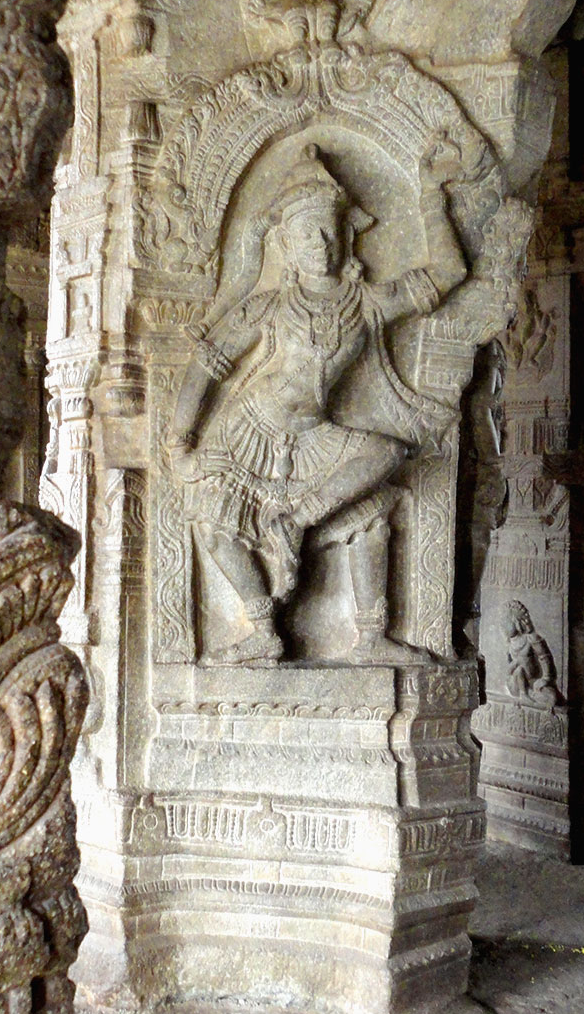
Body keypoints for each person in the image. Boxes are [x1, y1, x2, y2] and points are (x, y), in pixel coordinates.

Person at [165, 141, 466, 665]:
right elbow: (210, 361)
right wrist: (180, 438)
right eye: (307, 232)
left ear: (348, 236)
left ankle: (368, 632)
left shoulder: (367, 303)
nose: (320, 243)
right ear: (286, 240)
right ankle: (263, 630)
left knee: (384, 468)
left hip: (315, 437)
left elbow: (448, 274)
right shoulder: (273, 305)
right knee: (215, 523)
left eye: (330, 230)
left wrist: (432, 197)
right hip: (249, 431)